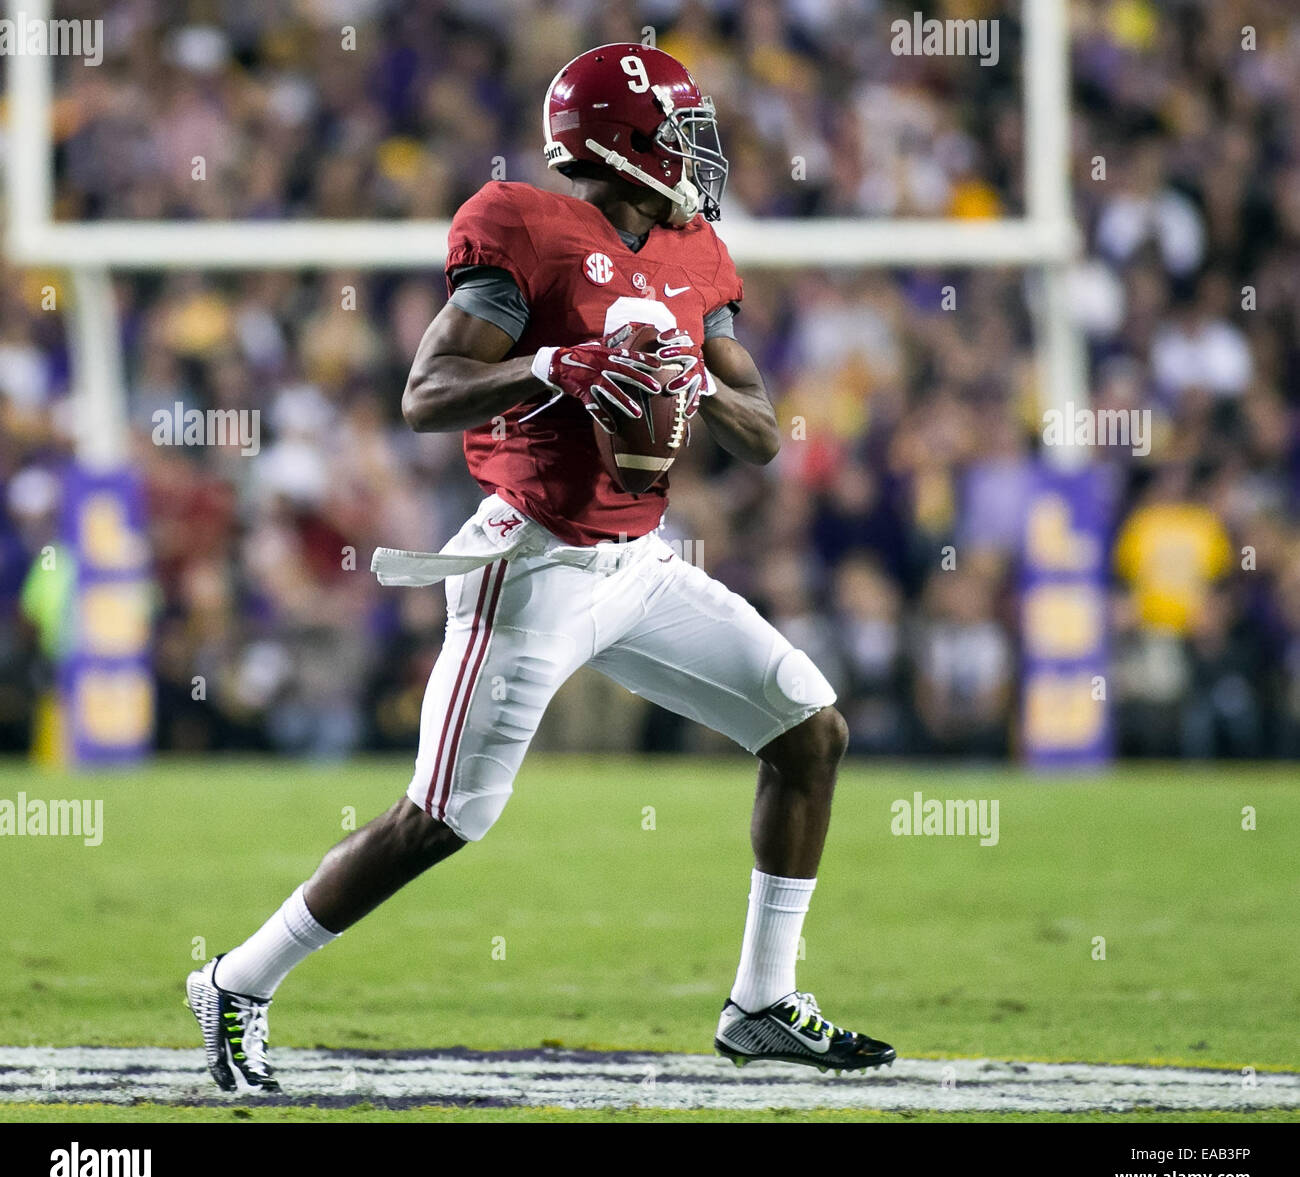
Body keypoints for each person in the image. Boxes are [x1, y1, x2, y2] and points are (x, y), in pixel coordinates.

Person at [187, 42, 895, 1091]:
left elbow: (761, 435)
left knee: (808, 728)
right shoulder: (525, 225)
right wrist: (555, 366)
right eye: (671, 132)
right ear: (616, 145)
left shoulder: (694, 249)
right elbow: (426, 394)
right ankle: (236, 981)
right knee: (441, 818)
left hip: (638, 563)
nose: (694, 153)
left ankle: (760, 1002)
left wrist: (690, 387)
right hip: (530, 563)